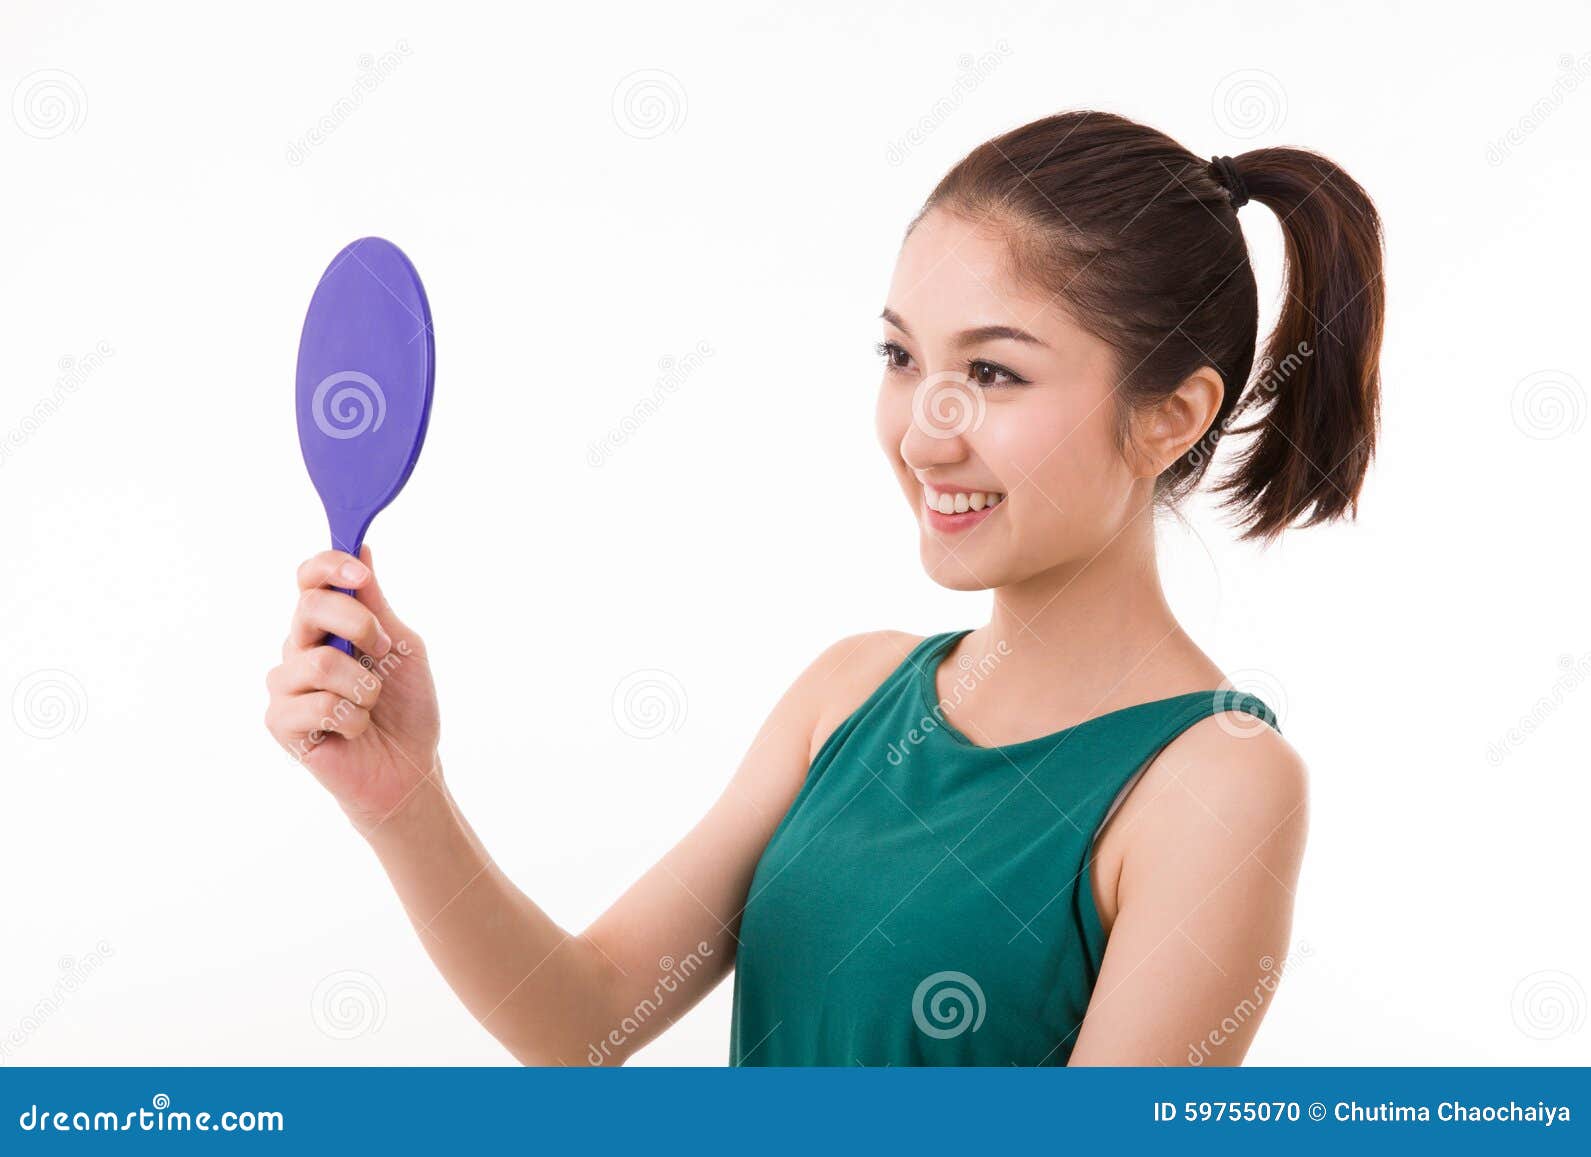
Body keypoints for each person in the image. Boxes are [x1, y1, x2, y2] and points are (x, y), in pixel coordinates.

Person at [264, 109, 1384, 1066]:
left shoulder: (1216, 783)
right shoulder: (849, 695)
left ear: (1170, 416)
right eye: (902, 358)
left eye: (992, 371)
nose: (924, 432)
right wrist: (403, 798)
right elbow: (585, 1019)